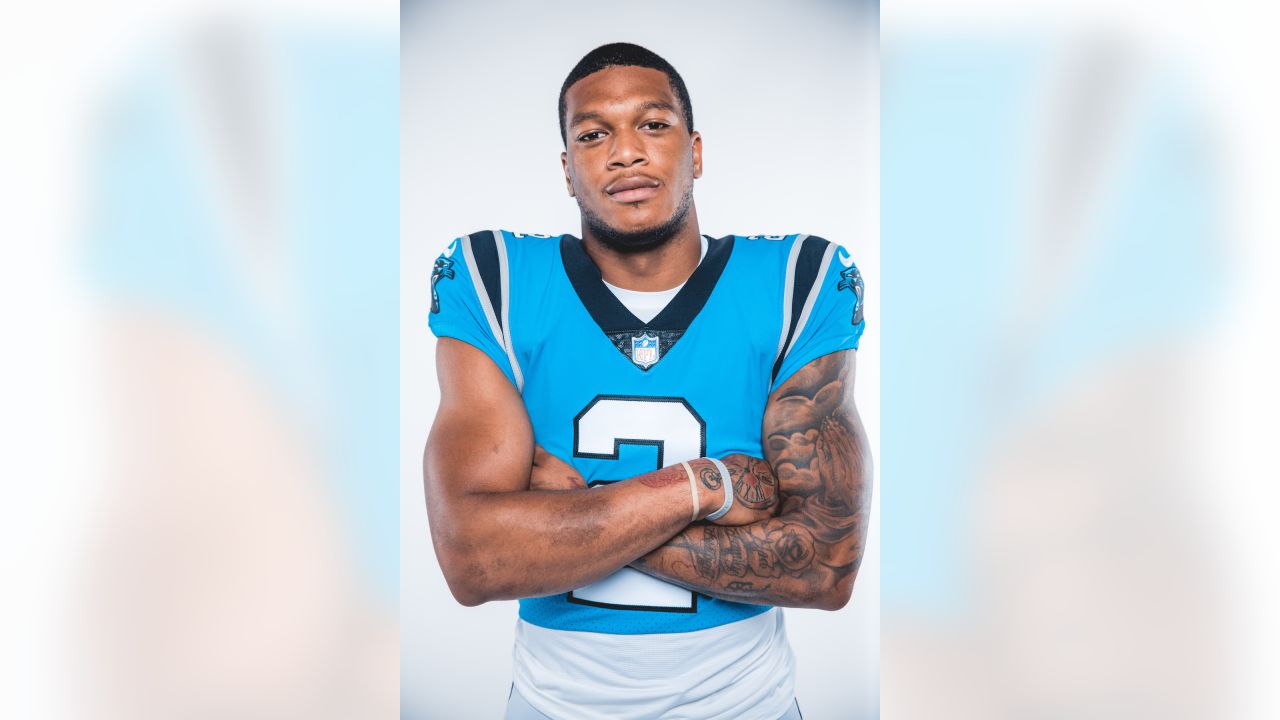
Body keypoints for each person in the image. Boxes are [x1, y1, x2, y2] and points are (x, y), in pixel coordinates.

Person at [423, 42, 871, 720]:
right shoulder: (496, 279)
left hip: (746, 706)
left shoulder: (798, 282)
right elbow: (473, 560)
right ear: (567, 170)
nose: (625, 152)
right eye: (593, 134)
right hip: (554, 707)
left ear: (695, 152)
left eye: (653, 124)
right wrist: (705, 486)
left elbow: (826, 566)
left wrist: (571, 518)